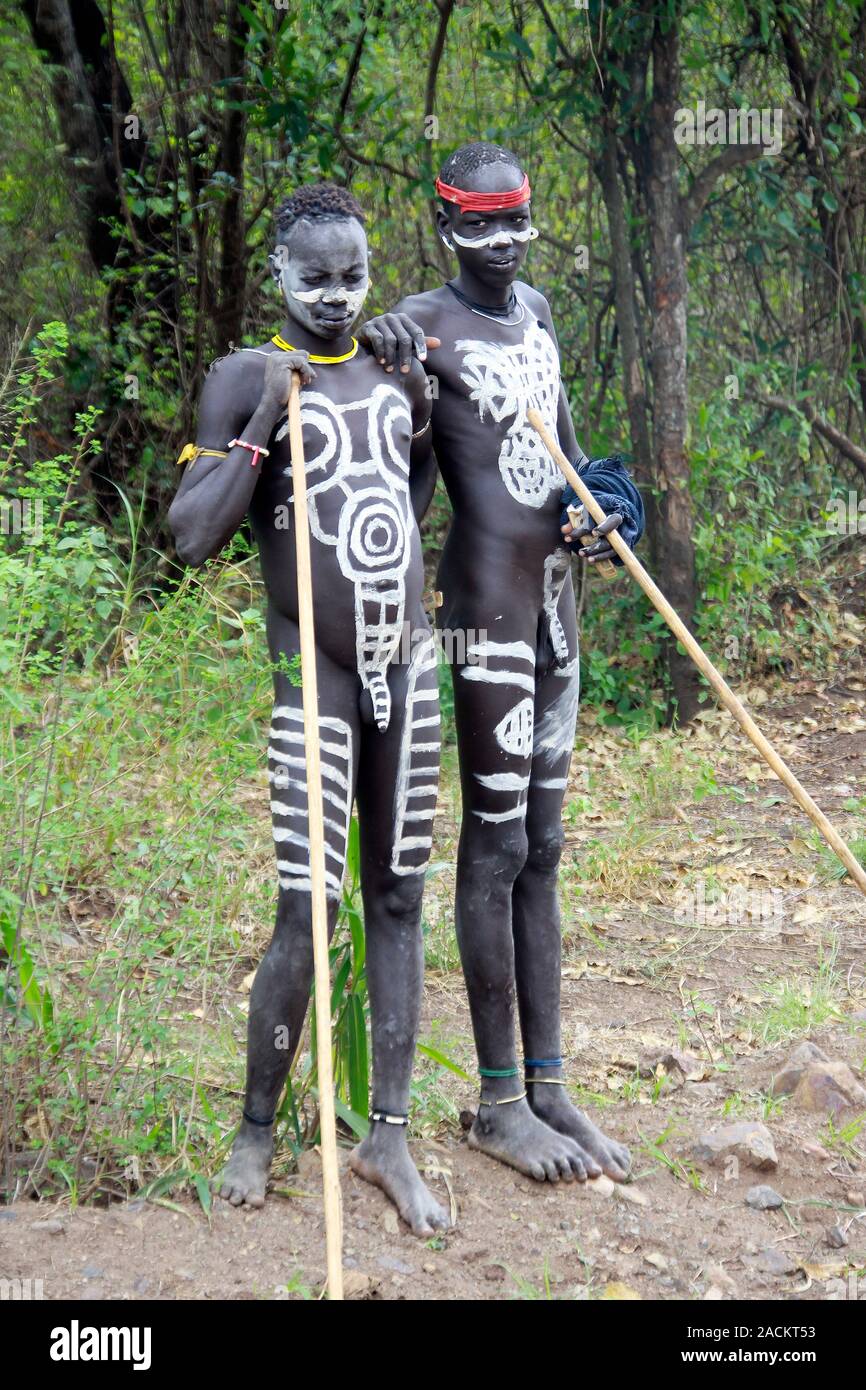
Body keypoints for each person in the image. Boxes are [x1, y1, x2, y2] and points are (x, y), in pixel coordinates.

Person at [359, 143, 644, 1183]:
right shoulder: (415, 328)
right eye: (478, 230)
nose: (498, 248)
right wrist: (383, 360)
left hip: (557, 608)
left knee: (544, 845)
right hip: (484, 614)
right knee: (492, 843)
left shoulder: (539, 315)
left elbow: (561, 451)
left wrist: (594, 513)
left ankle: (549, 1081)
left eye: (513, 227)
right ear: (444, 228)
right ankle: (496, 1104)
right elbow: (395, 473)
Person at [169, 182, 449, 1234]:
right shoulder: (244, 375)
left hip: (406, 662)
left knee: (397, 899)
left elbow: (409, 487)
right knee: (308, 904)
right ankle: (254, 1127)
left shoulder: (388, 362)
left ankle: (389, 1132)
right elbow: (189, 536)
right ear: (276, 274)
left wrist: (411, 377)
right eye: (312, 278)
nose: (334, 298)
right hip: (312, 675)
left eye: (352, 277)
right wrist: (255, 425)